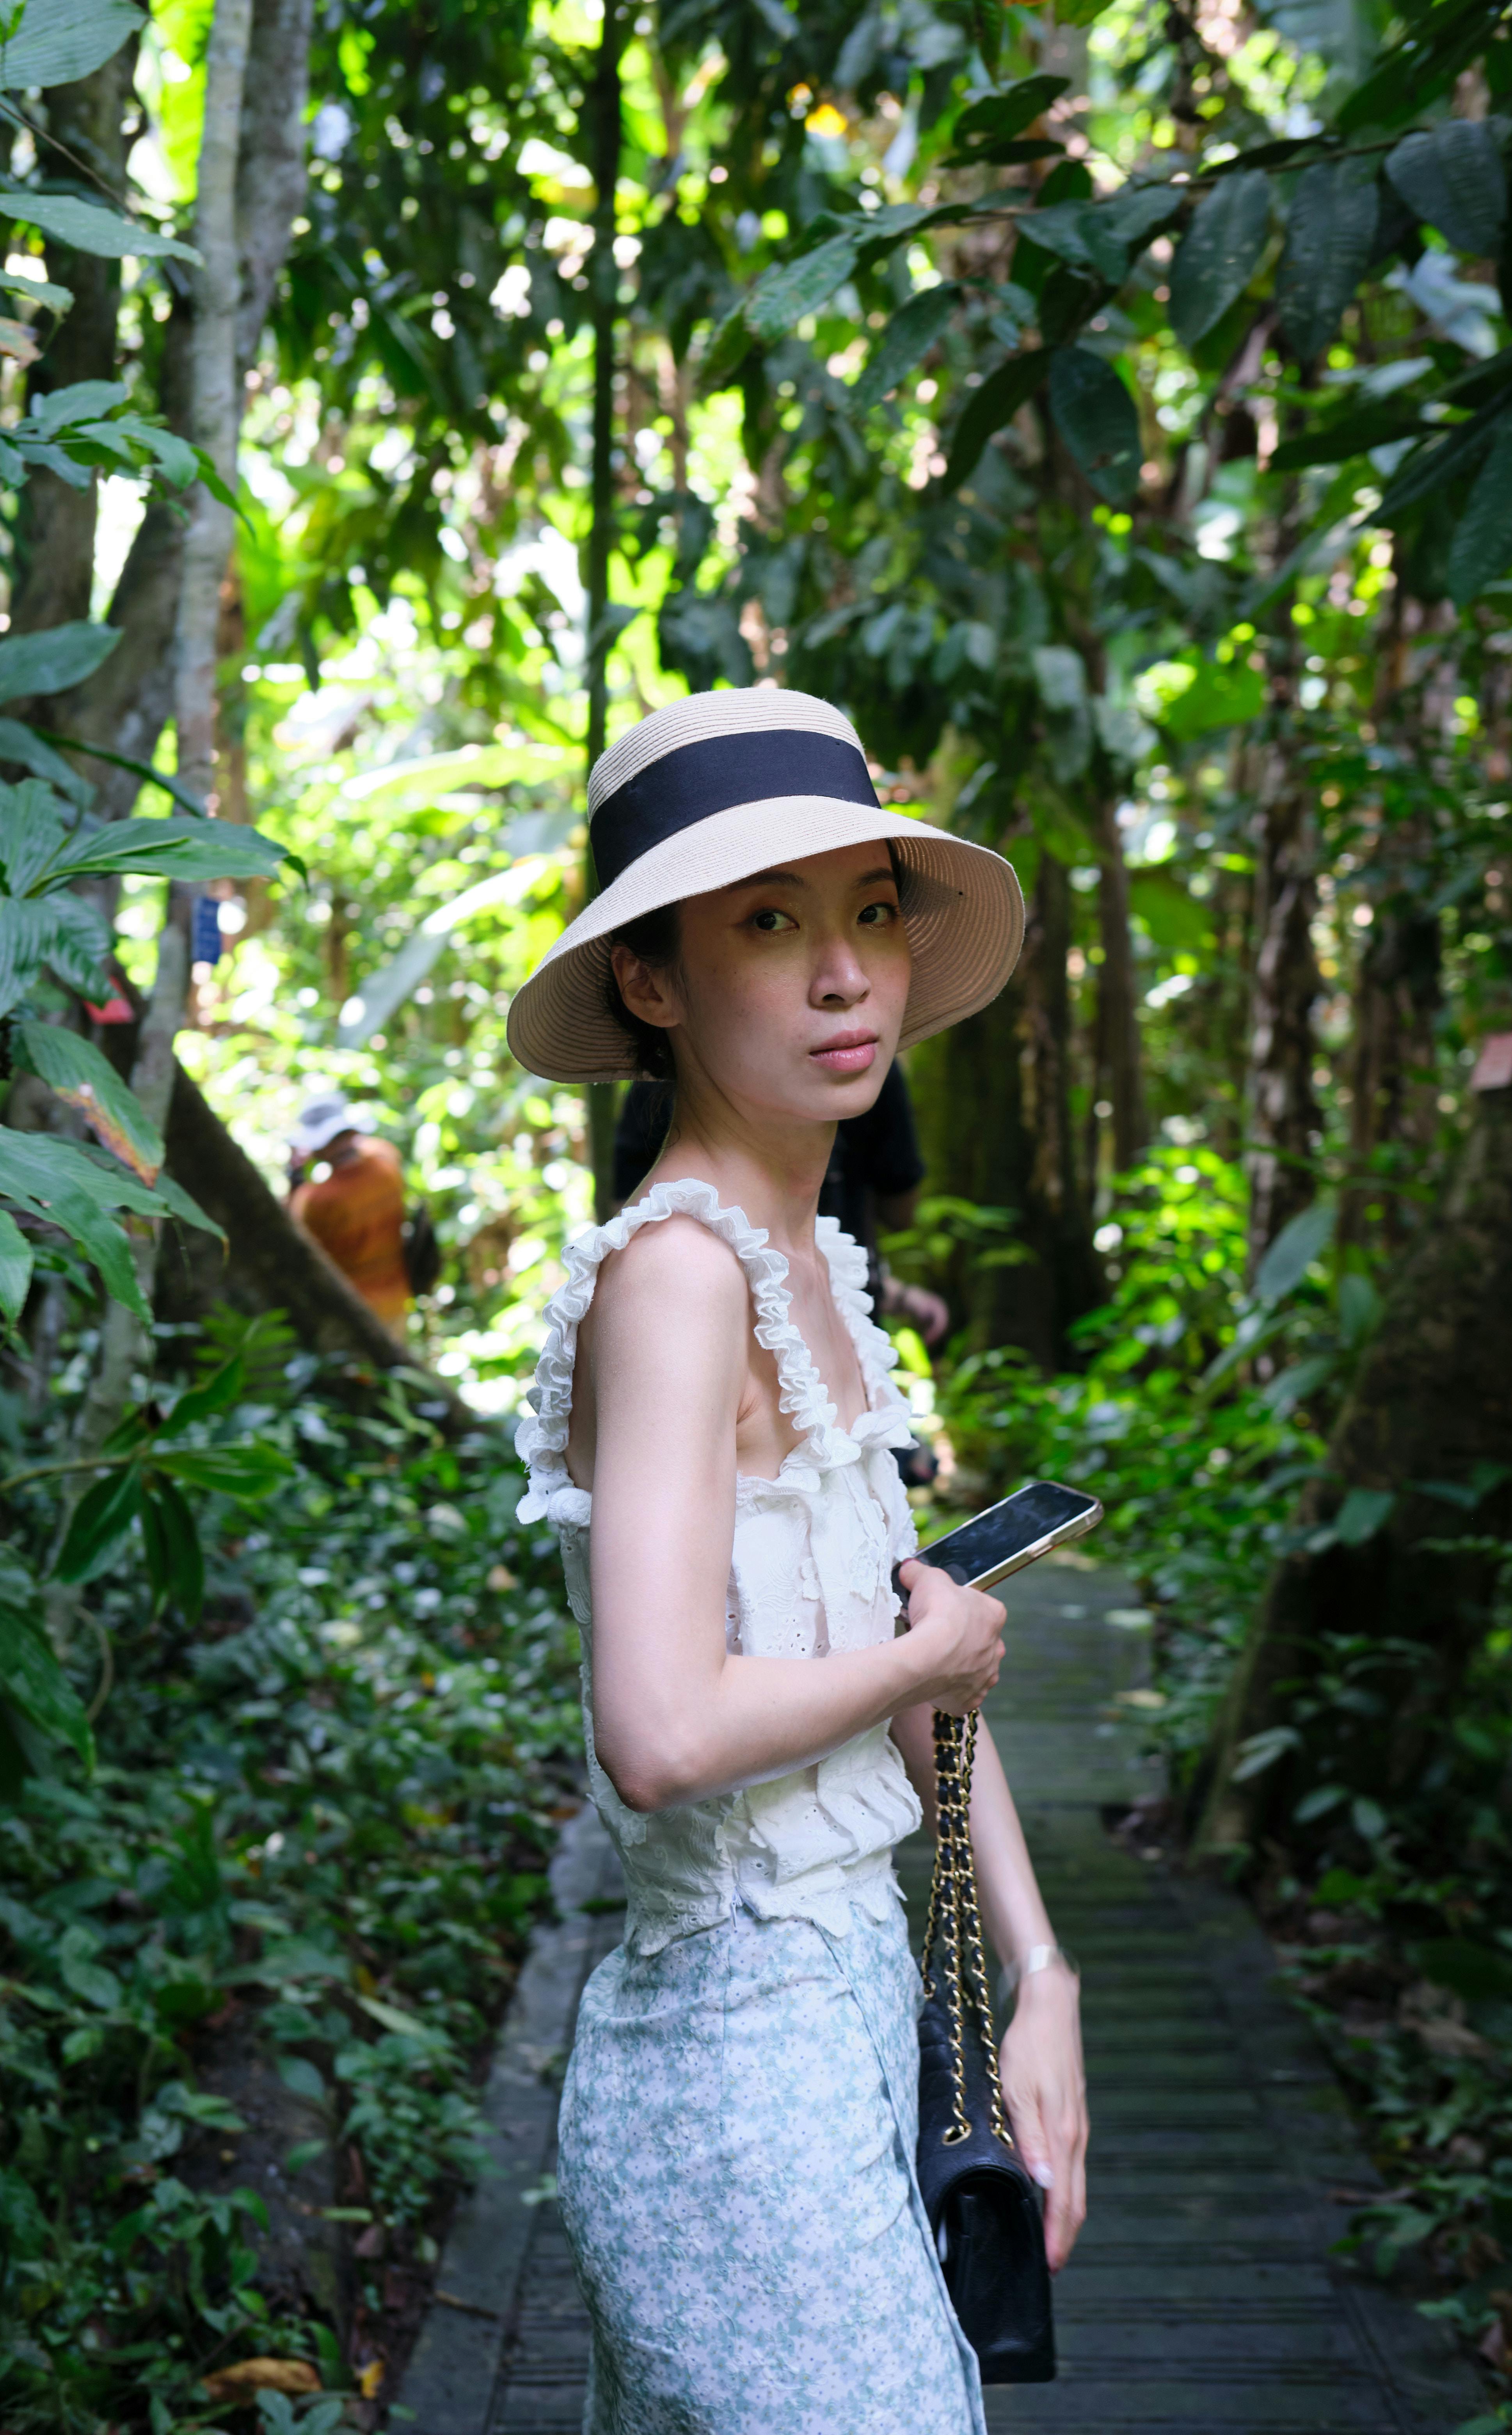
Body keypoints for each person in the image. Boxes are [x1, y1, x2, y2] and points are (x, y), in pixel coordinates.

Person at [508, 688, 1087, 2435]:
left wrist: (1038, 1983)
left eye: (870, 912)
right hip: (725, 2072)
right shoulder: (678, 1282)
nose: (844, 974)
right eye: (770, 922)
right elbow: (665, 1730)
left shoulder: (817, 1271)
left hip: (856, 2029)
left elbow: (922, 1663)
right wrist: (926, 1664)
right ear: (654, 982)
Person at [615, 1062, 951, 1344]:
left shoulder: (867, 1066)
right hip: (724, 1325)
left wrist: (893, 1292)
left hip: (844, 1319)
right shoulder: (668, 1271)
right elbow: (631, 1222)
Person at [287, 1092, 414, 1327]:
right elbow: (369, 1146)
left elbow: (295, 1237)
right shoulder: (386, 1161)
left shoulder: (315, 1200)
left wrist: (295, 1175)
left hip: (352, 1314)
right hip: (397, 1297)